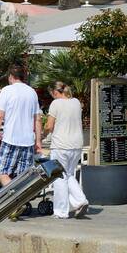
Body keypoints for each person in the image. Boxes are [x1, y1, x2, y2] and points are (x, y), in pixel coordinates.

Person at [0, 64, 42, 184]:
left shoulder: (7, 90)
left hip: (11, 138)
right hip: (28, 140)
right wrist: (38, 141)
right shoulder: (32, 92)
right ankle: (20, 199)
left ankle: (14, 197)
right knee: (23, 175)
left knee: (1, 171)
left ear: (11, 76)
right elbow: (38, 119)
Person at [45, 82, 88, 219]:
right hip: (76, 144)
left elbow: (49, 126)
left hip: (60, 145)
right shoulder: (76, 102)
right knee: (68, 174)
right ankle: (80, 201)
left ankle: (60, 211)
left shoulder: (56, 104)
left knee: (59, 177)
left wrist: (42, 133)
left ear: (55, 92)